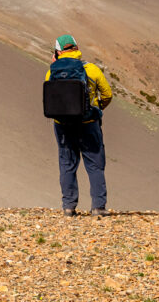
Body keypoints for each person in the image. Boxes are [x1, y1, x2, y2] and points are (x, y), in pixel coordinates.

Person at [46, 34, 113, 216]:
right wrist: (96, 108)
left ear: (58, 52)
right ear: (76, 48)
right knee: (95, 164)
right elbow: (107, 94)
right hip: (88, 123)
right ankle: (98, 207)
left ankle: (69, 207)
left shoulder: (51, 71)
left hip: (62, 125)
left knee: (67, 164)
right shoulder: (91, 69)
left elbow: (49, 97)